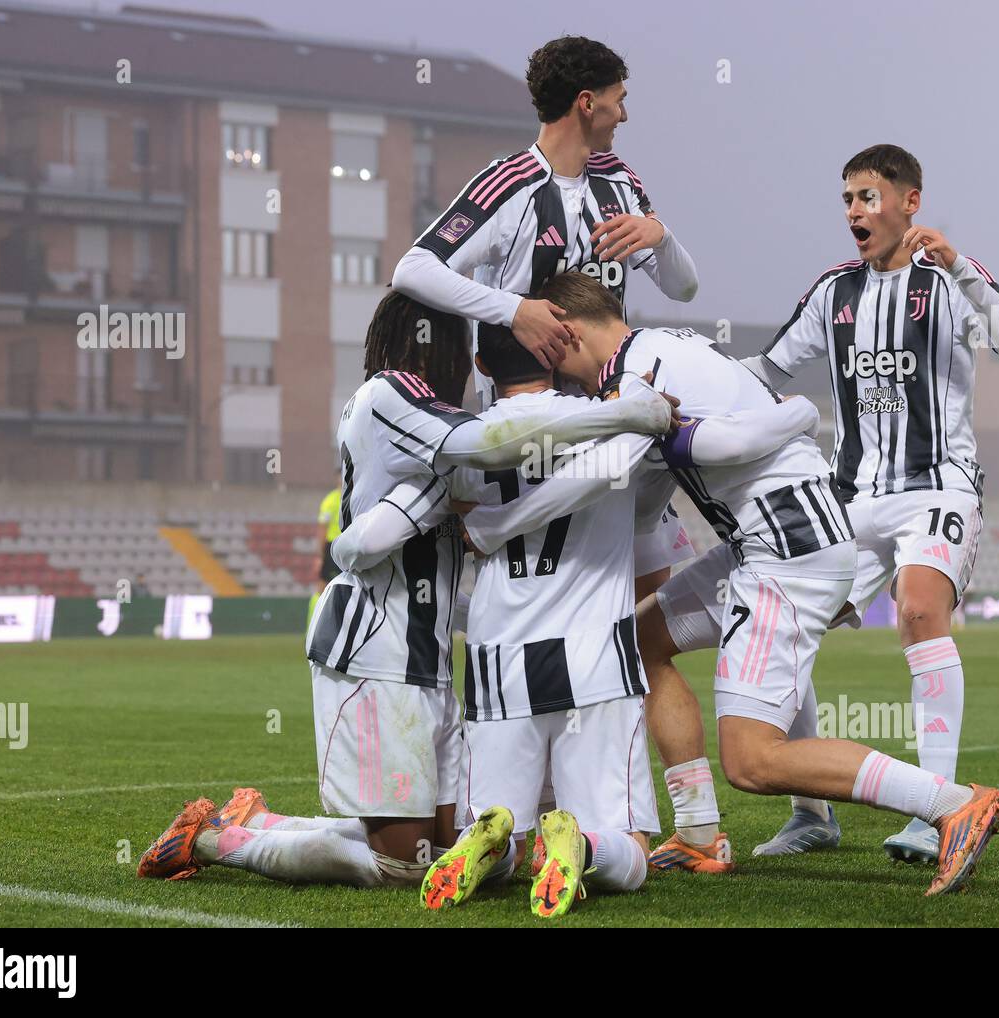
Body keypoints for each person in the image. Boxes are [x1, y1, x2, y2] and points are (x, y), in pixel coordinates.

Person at [489, 271, 999, 896]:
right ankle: (700, 832)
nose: (548, 365)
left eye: (541, 340)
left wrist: (501, 526)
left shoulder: (640, 378)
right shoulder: (655, 355)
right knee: (638, 643)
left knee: (752, 760)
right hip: (767, 544)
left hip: (789, 552)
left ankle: (953, 803)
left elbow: (723, 440)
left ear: (564, 331)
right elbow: (646, 500)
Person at [135, 290, 675, 890]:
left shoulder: (443, 424)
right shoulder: (391, 393)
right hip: (379, 651)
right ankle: (217, 839)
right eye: (453, 341)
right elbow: (365, 540)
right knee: (402, 866)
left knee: (452, 850)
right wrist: (626, 413)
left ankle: (258, 819)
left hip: (429, 657)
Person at [394, 35, 722, 865]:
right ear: (587, 102)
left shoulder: (621, 183)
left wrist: (663, 232)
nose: (625, 110)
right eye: (618, 95)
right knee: (545, 615)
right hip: (537, 430)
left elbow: (682, 286)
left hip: (618, 426)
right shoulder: (509, 183)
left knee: (645, 630)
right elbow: (414, 268)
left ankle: (696, 830)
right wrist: (511, 311)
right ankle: (560, 821)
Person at [422, 323, 820, 915]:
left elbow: (450, 513)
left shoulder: (467, 441)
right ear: (557, 354)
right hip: (594, 656)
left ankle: (488, 841)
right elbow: (699, 443)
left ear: (482, 364)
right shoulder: (616, 420)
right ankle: (583, 844)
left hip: (496, 654)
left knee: (500, 820)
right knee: (629, 849)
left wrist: (491, 526)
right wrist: (798, 411)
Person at [716, 143, 999, 864]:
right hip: (851, 498)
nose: (855, 213)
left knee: (921, 607)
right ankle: (812, 814)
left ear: (909, 201)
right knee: (792, 623)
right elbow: (765, 371)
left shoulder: (949, 279)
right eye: (847, 200)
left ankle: (937, 811)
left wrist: (960, 265)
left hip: (936, 486)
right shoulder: (833, 292)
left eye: (867, 197)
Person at [310, 472, 343, 622]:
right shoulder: (330, 501)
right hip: (333, 548)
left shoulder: (333, 500)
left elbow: (322, 527)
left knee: (325, 588)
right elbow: (322, 529)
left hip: (341, 547)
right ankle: (314, 625)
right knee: (322, 588)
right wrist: (320, 555)